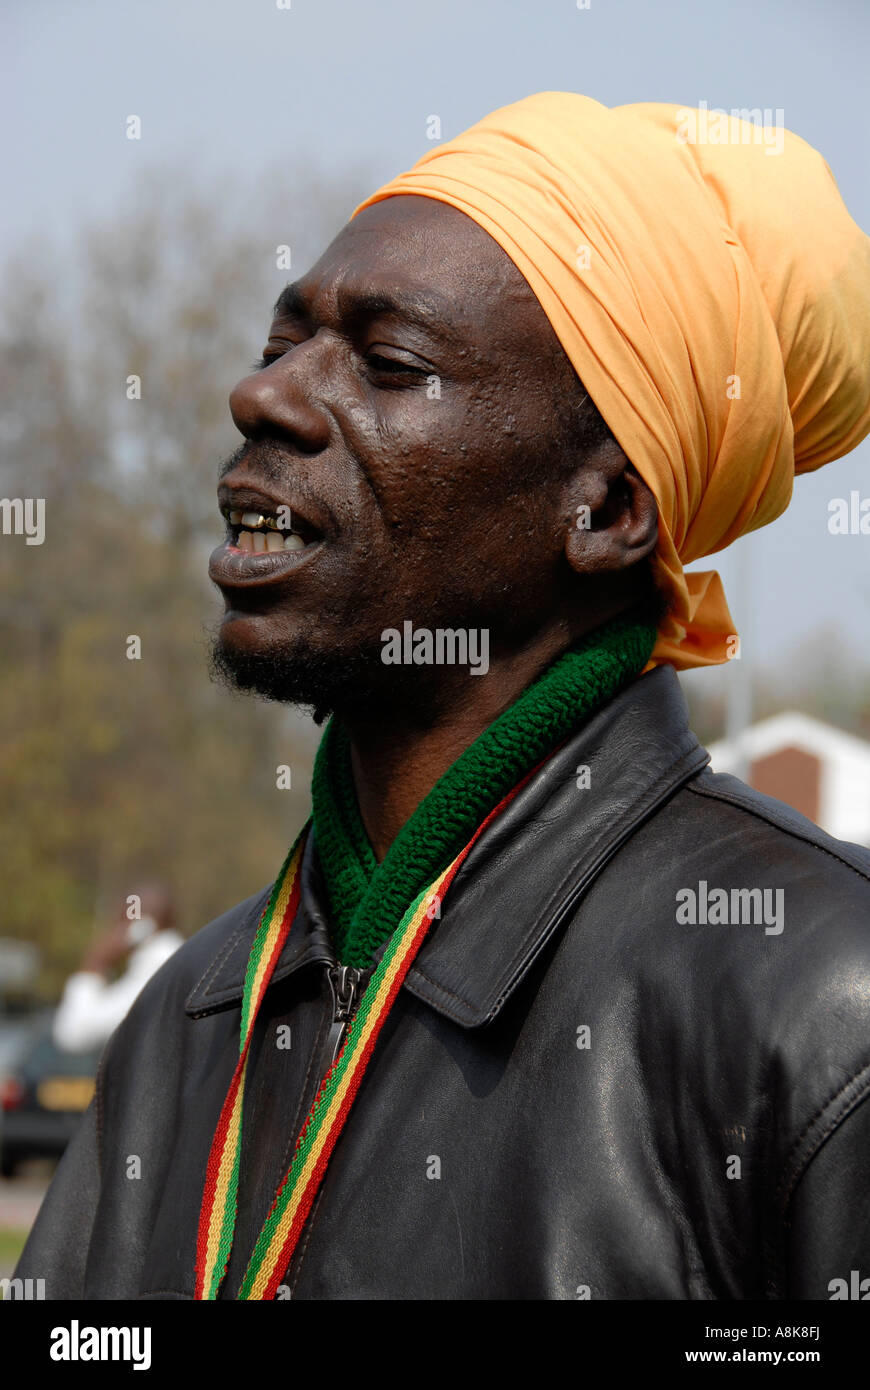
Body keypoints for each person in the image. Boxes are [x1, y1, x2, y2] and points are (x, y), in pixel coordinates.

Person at [15, 94, 870, 1300]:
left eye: (389, 363)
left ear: (609, 512)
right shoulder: (187, 1024)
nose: (267, 398)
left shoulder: (824, 1007)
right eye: (283, 342)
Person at [52, 883, 183, 1054]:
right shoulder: (175, 959)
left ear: (140, 926)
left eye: (120, 920)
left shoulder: (158, 966)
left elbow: (73, 1034)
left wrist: (95, 963)